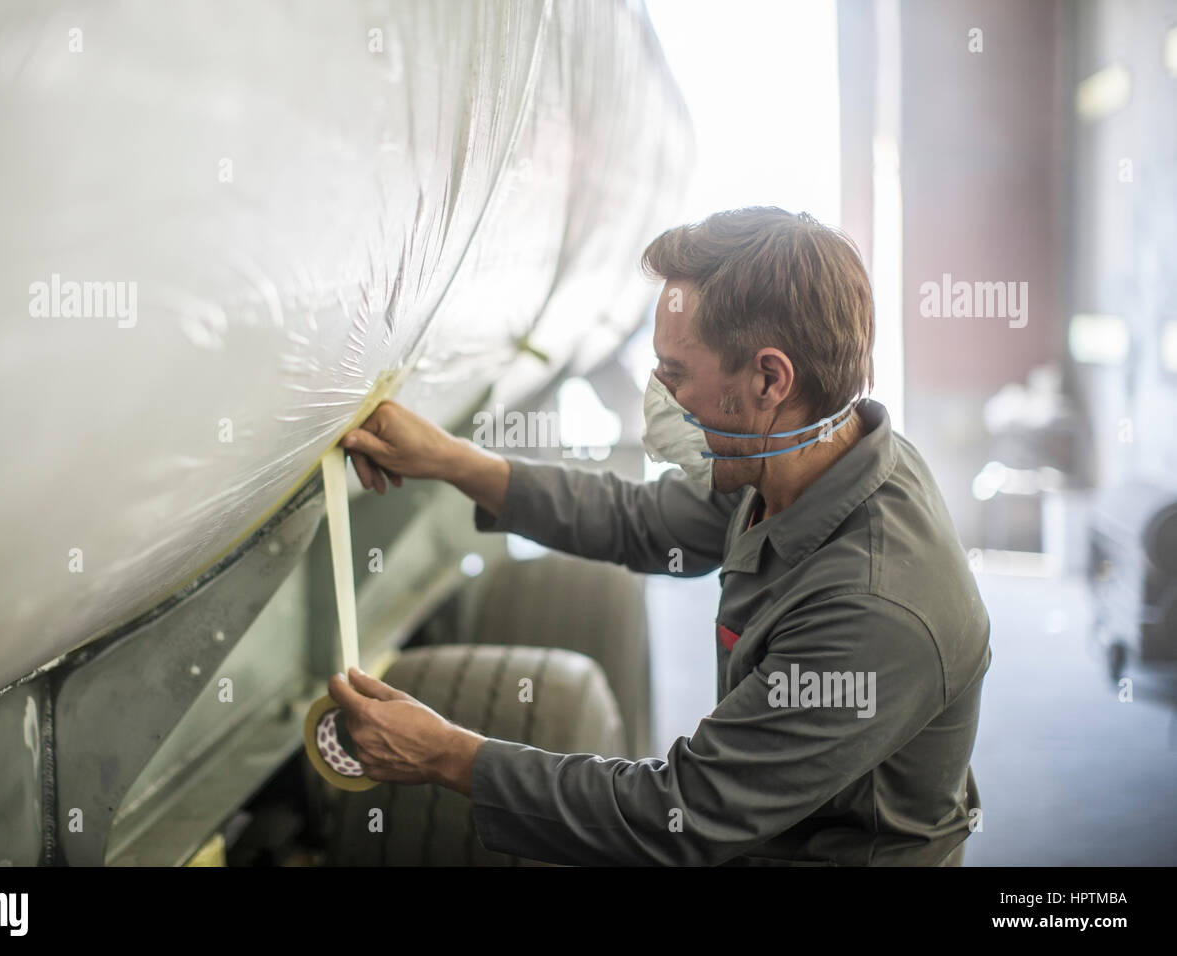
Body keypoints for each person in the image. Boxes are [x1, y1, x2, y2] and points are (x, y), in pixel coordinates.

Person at [327, 206, 991, 866]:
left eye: (675, 372)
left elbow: (683, 816)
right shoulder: (806, 458)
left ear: (769, 378)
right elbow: (640, 520)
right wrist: (454, 462)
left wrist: (444, 754)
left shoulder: (874, 608)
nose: (657, 393)